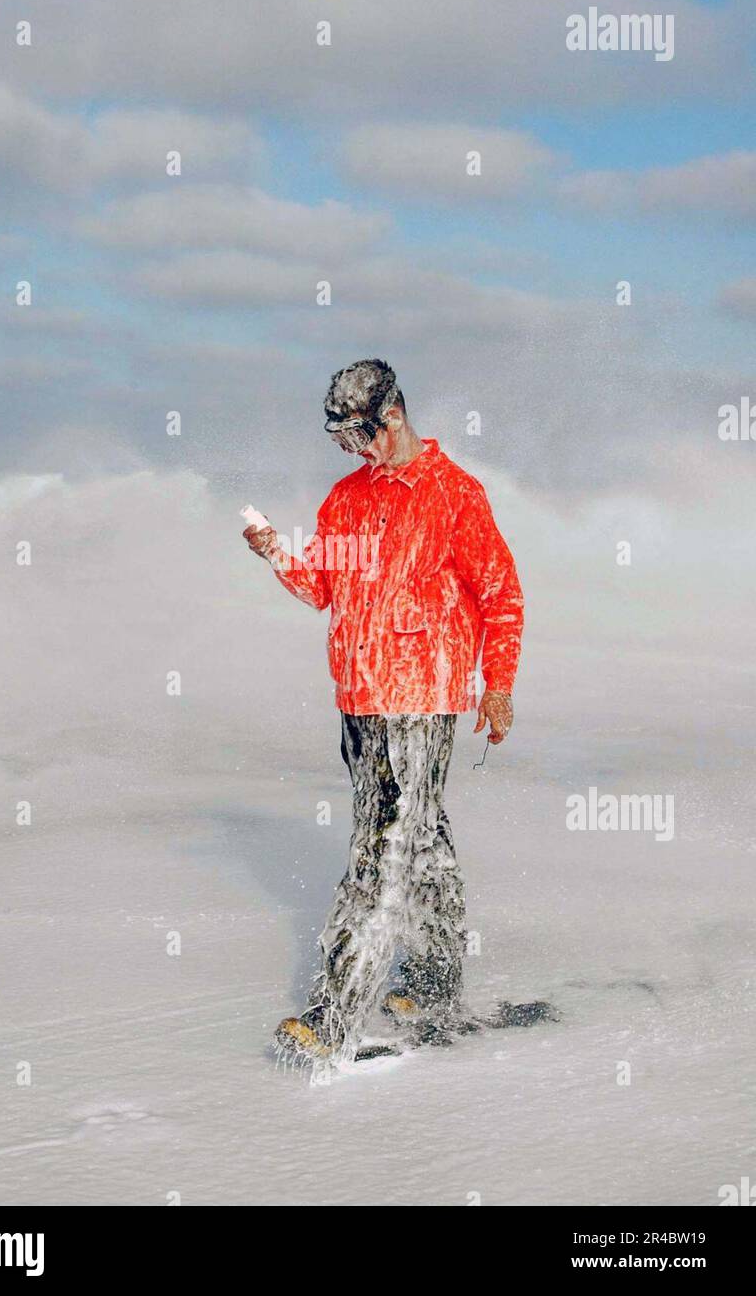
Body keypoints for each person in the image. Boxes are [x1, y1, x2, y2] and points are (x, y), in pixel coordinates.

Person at [242, 359, 524, 1068]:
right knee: (422, 837)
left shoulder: (454, 495)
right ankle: (431, 984)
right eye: (338, 441)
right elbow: (321, 589)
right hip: (360, 702)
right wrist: (275, 550)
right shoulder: (344, 499)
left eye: (354, 437)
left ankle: (333, 1017)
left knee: (380, 851)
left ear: (390, 417)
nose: (349, 452)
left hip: (422, 698)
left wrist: (497, 685)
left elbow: (500, 595)